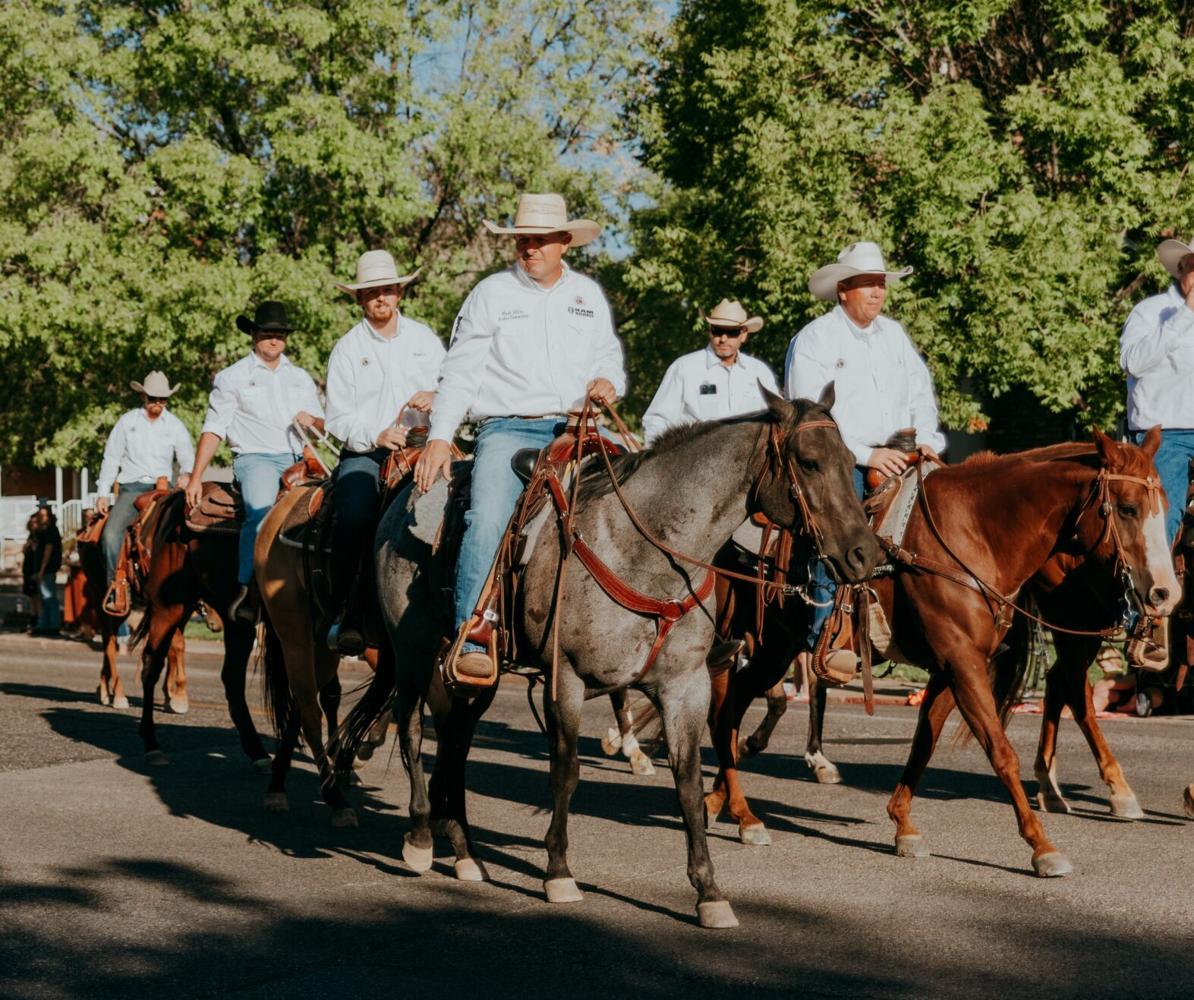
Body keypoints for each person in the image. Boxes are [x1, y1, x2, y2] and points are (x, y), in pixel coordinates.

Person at [415, 192, 626, 681]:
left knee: (640, 497)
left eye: (541, 240)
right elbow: (461, 372)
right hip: (508, 428)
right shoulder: (490, 294)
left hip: (579, 427)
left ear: (564, 244)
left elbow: (607, 356)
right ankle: (474, 629)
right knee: (487, 514)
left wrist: (608, 381)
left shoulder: (588, 296)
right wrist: (441, 436)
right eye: (523, 240)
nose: (530, 248)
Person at [785, 240, 946, 671]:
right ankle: (827, 636)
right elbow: (808, 416)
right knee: (836, 532)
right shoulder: (815, 339)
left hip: (904, 453)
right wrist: (867, 454)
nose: (878, 292)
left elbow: (920, 393)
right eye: (867, 284)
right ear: (843, 290)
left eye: (881, 284)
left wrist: (928, 438)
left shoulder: (894, 335)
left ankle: (933, 627)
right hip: (839, 459)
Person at [323, 250, 445, 654]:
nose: (381, 297)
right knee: (354, 513)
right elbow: (336, 417)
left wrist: (436, 394)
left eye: (388, 290)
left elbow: (453, 386)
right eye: (372, 292)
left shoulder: (425, 340)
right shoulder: (346, 348)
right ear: (360, 299)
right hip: (369, 452)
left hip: (425, 447)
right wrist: (376, 435)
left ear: (399, 294)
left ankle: (460, 612)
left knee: (464, 507)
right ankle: (347, 612)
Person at [186, 301, 324, 623]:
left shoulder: (300, 378)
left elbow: (322, 427)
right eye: (267, 333)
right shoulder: (232, 377)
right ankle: (249, 589)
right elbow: (214, 428)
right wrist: (196, 476)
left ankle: (325, 591)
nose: (274, 340)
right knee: (261, 512)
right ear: (254, 335)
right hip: (255, 458)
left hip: (299, 459)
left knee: (328, 515)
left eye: (280, 334)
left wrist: (313, 421)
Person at [1120, 237, 1194, 546]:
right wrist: (1186, 314)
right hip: (1165, 433)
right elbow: (1132, 362)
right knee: (1162, 514)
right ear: (1182, 269)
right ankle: (1150, 589)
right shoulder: (1151, 312)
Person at [95, 372, 195, 586]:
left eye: (163, 399)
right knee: (111, 535)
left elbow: (187, 457)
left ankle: (187, 587)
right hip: (132, 489)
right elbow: (111, 458)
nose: (158, 403)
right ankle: (115, 585)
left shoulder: (175, 425)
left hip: (163, 490)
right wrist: (102, 493)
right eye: (153, 398)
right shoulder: (127, 422)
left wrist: (186, 475)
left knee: (187, 533)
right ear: (143, 397)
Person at [641, 299, 779, 444]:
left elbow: (777, 418)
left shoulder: (759, 371)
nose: (723, 339)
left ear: (743, 334)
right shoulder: (684, 367)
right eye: (717, 331)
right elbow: (657, 420)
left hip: (749, 460)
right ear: (710, 331)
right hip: (695, 459)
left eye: (731, 332)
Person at [33, 507, 63, 636]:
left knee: (49, 597)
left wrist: (42, 569)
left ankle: (53, 626)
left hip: (47, 569)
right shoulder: (42, 531)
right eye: (40, 515)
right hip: (43, 568)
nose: (42, 518)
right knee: (44, 598)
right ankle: (43, 625)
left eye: (44, 515)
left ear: (49, 517)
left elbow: (48, 551)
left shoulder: (51, 531)